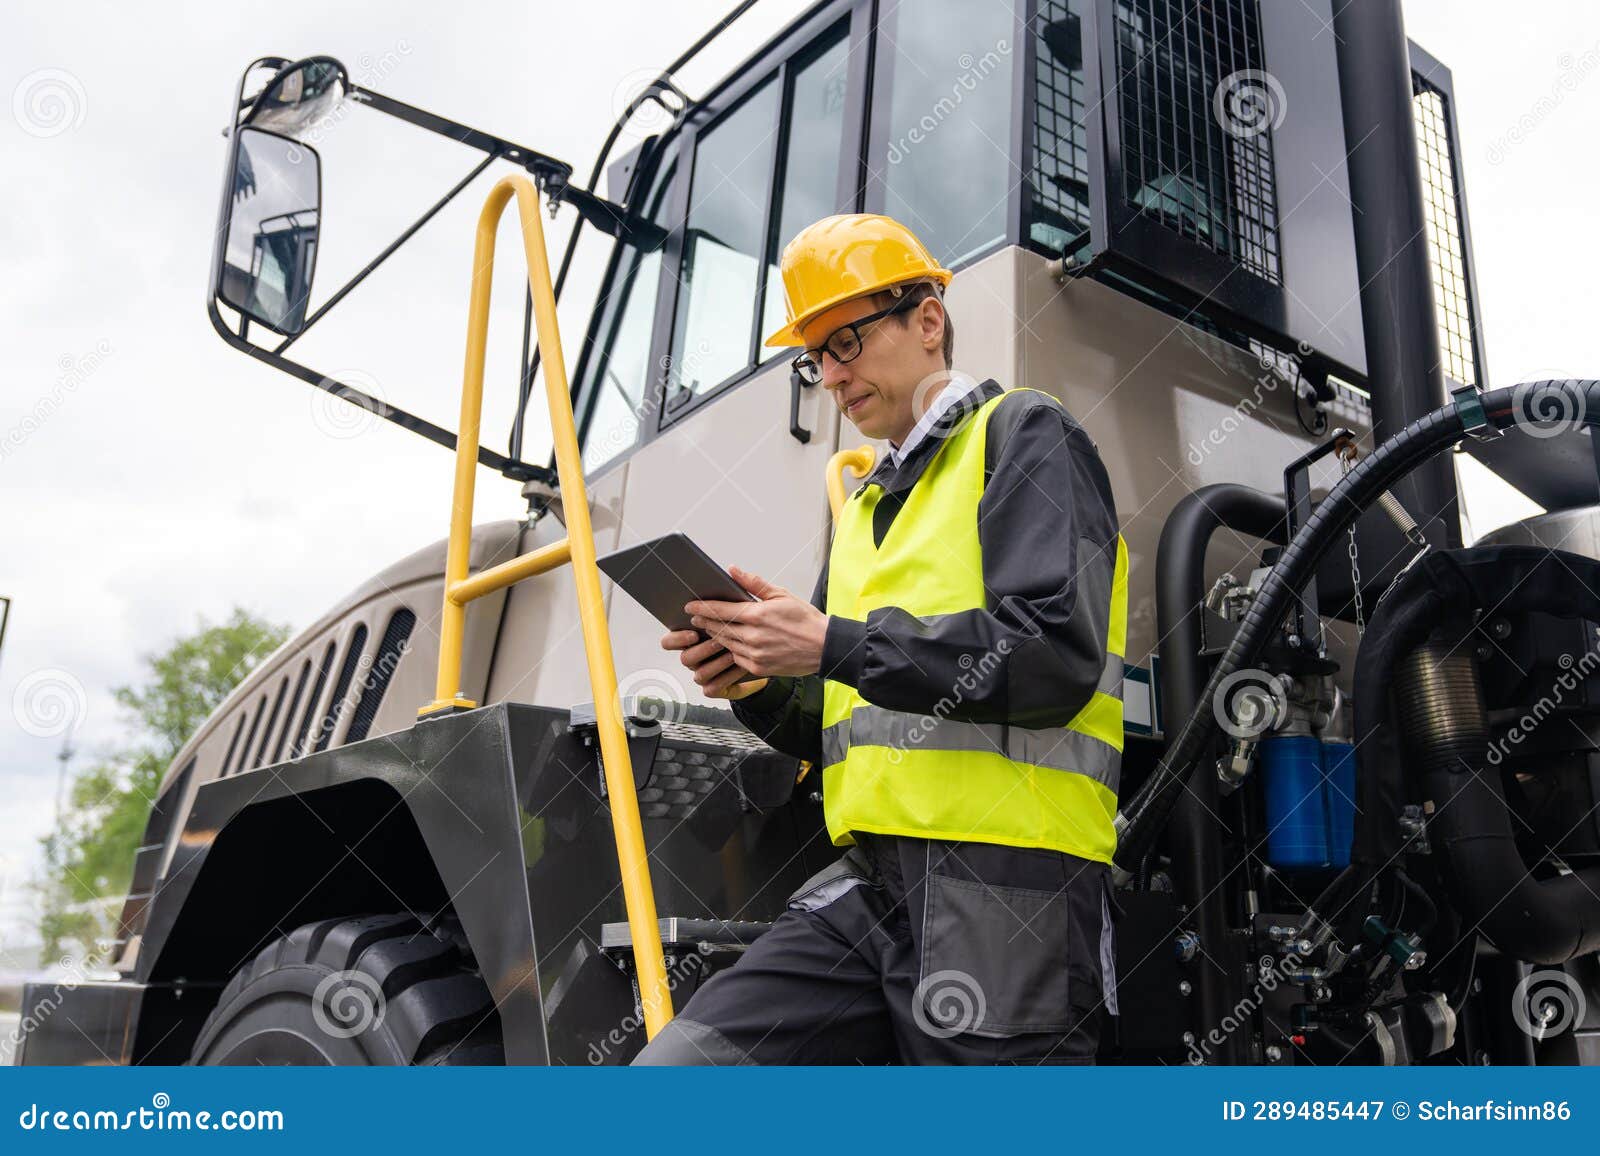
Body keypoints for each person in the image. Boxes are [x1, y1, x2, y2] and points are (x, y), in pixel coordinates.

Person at [632, 214, 1129, 1065]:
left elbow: (1052, 656)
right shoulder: (861, 507)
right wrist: (754, 679)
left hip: (1006, 891)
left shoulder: (1024, 436)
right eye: (815, 356)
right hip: (870, 892)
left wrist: (830, 643)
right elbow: (836, 722)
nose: (829, 374)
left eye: (846, 341)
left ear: (927, 321)